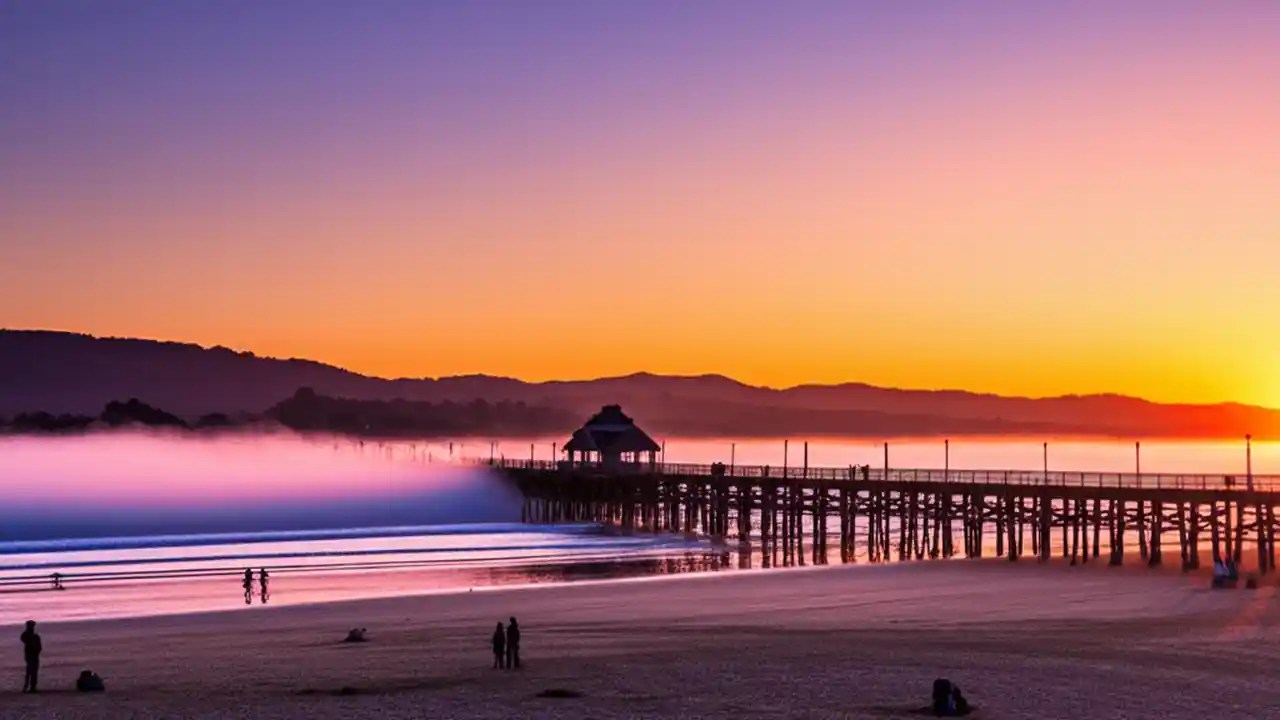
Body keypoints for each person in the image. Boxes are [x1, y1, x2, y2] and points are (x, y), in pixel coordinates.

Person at [21, 620, 42, 693]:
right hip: (30, 656)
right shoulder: (28, 636)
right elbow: (23, 639)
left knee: (33, 671)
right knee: (30, 671)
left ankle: (32, 686)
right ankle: (28, 686)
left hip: (34, 655)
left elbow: (39, 647)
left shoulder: (35, 637)